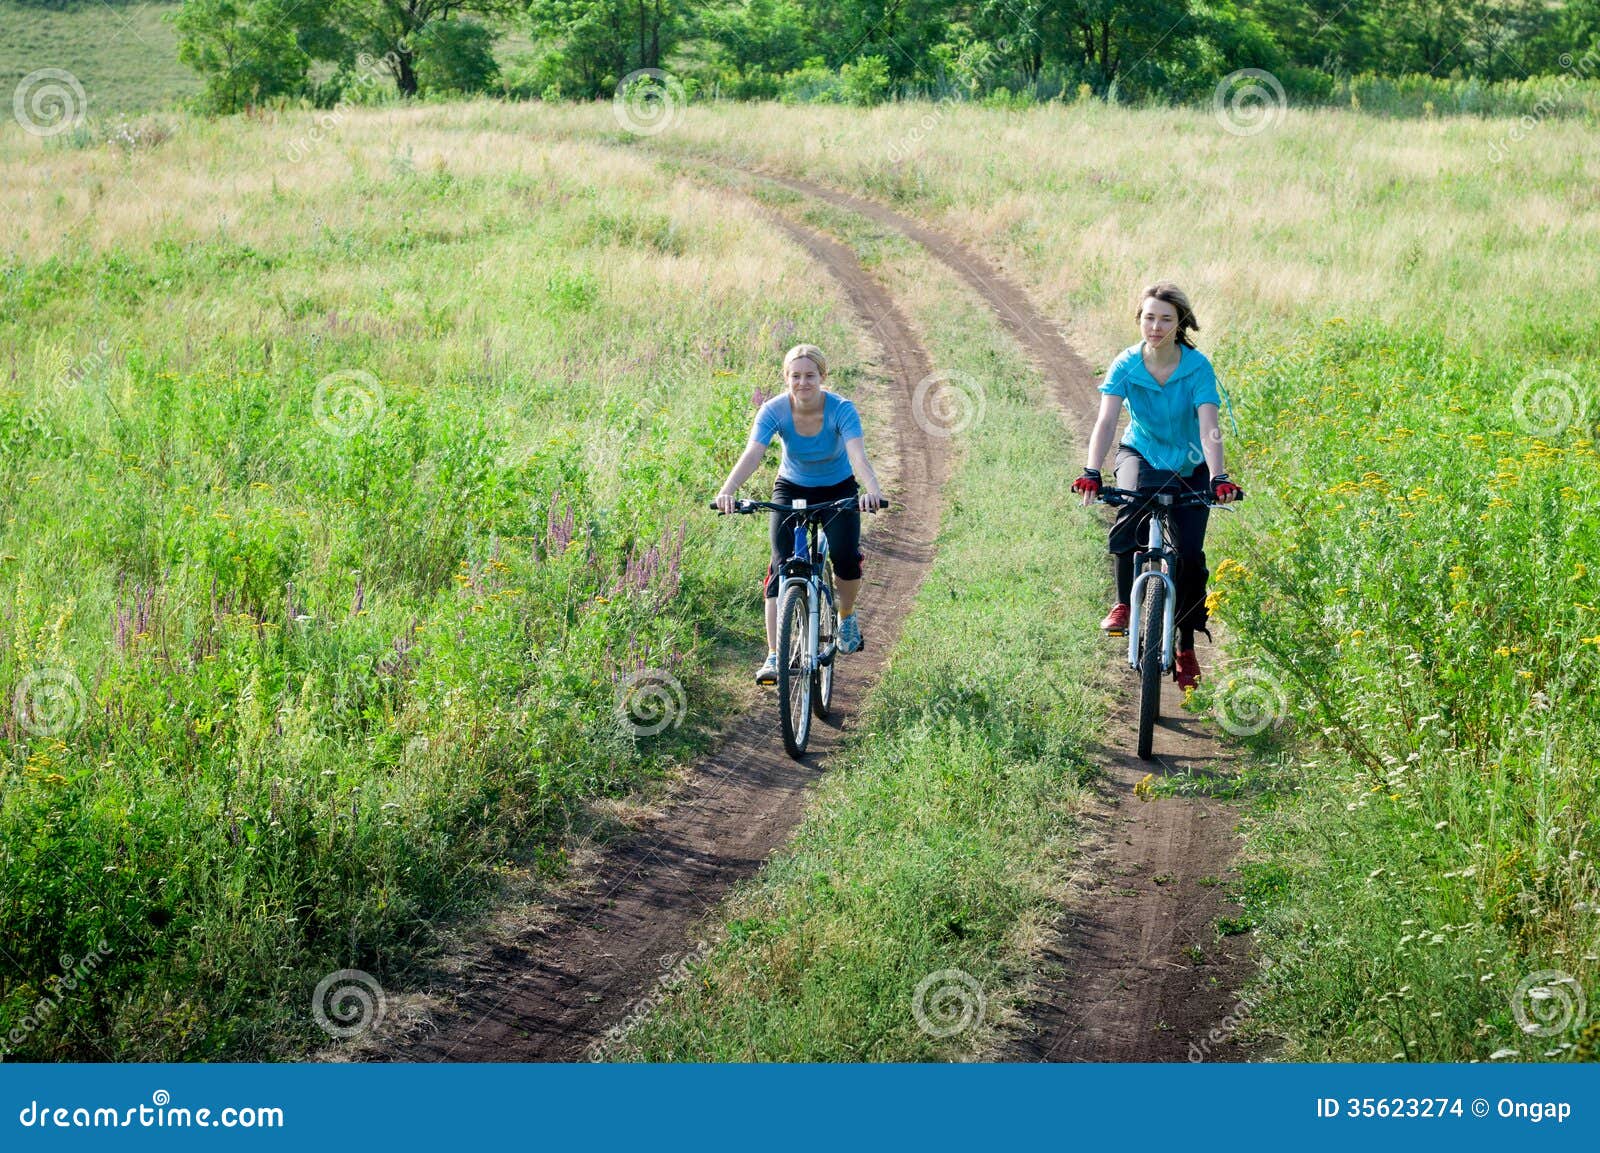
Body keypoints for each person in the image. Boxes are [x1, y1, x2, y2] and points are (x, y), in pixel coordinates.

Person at [1071, 282, 1243, 691]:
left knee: (1188, 557)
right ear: (1139, 320)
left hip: (1190, 464)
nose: (1156, 327)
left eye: (1166, 319)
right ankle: (1123, 604)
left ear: (1179, 323)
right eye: (1149, 318)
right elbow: (1107, 422)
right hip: (1142, 454)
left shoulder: (1197, 367)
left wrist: (1218, 476)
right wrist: (1092, 470)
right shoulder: (1126, 363)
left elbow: (1209, 426)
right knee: (1129, 511)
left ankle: (1186, 646)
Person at [715, 343, 886, 685]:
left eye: (810, 375)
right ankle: (774, 655)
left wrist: (872, 490)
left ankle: (846, 617)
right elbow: (753, 453)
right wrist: (727, 490)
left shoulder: (841, 410)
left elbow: (857, 455)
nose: (802, 382)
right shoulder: (773, 410)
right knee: (780, 566)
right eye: (795, 376)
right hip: (791, 488)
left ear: (822, 376)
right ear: (786, 378)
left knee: (845, 556)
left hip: (838, 488)